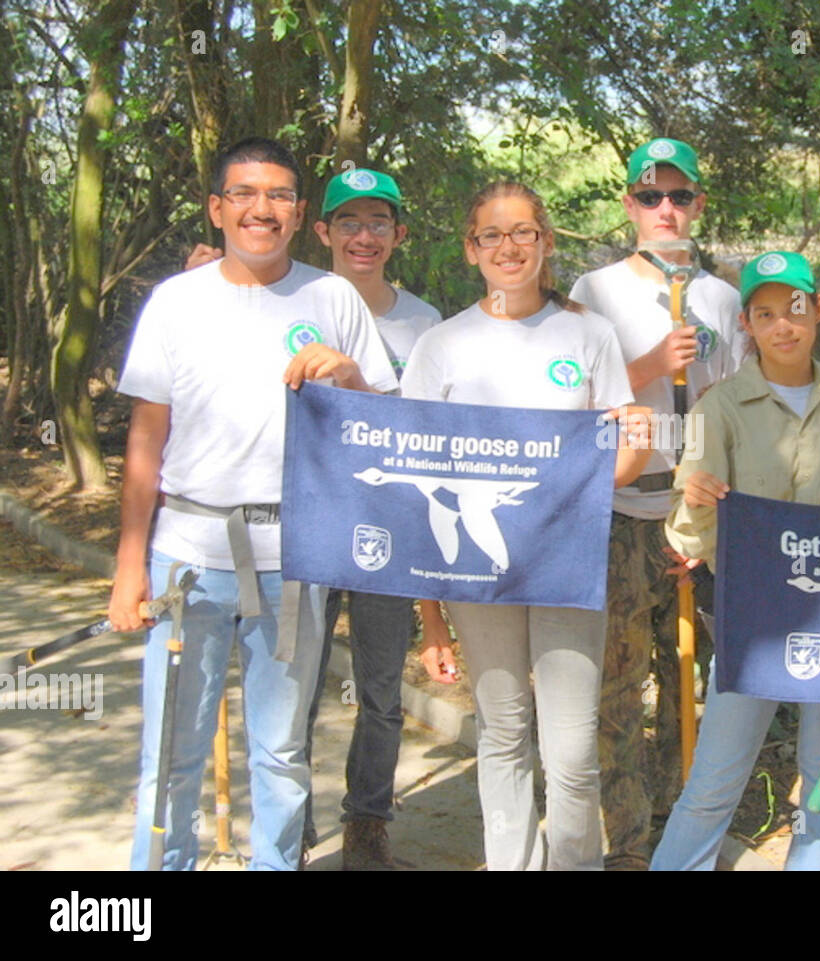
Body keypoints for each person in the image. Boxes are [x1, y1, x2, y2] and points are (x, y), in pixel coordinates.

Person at [108, 137, 398, 871]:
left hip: (292, 555)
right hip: (187, 556)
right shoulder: (176, 301)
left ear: (299, 215)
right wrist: (129, 567)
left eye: (278, 195)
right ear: (217, 208)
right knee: (172, 748)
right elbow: (145, 441)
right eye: (243, 193)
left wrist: (352, 378)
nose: (260, 209)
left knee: (280, 750)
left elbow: (385, 428)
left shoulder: (332, 298)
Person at [184, 167, 449, 870]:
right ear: (323, 230)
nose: (364, 236)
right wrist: (207, 284)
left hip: (388, 528)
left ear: (399, 234)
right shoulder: (288, 297)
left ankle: (367, 822)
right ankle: (290, 835)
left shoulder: (424, 322)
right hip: (305, 526)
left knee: (381, 688)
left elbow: (426, 431)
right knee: (290, 691)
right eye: (349, 223)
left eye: (379, 223)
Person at [403, 181, 653, 870]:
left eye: (523, 232)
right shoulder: (441, 345)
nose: (508, 247)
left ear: (545, 241)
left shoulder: (589, 334)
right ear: (470, 248)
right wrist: (431, 618)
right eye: (492, 234)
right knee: (503, 733)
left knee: (570, 750)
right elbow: (419, 479)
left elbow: (616, 466)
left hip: (567, 563)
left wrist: (636, 443)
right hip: (477, 570)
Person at [650, 250, 820, 871]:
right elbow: (689, 538)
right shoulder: (717, 407)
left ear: (819, 309)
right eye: (764, 314)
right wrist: (696, 501)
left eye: (795, 308)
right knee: (714, 781)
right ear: (746, 323)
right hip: (755, 620)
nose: (782, 325)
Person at [568, 137, 749, 869]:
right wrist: (649, 365)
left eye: (678, 196)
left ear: (698, 204)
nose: (665, 209)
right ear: (629, 205)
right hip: (618, 512)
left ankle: (686, 833)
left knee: (690, 684)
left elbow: (737, 410)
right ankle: (628, 841)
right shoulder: (594, 291)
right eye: (650, 196)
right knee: (616, 687)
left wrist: (711, 521)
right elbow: (577, 400)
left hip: (694, 512)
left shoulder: (724, 300)